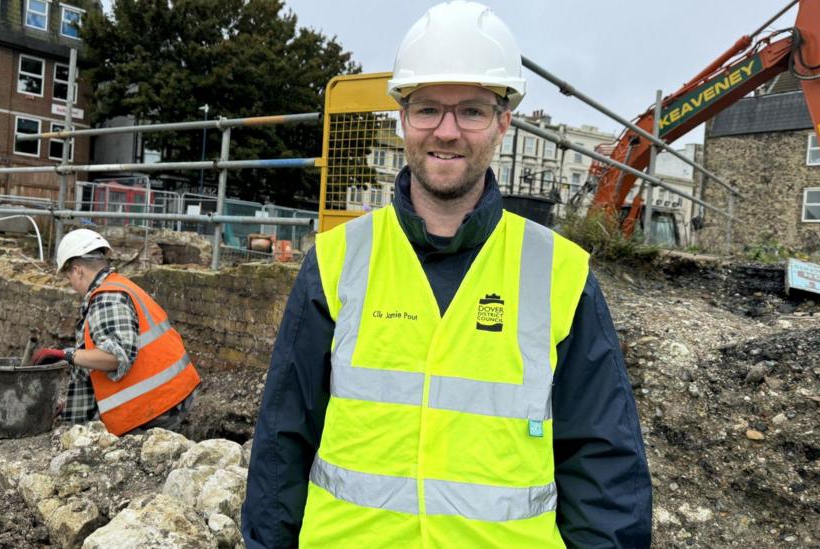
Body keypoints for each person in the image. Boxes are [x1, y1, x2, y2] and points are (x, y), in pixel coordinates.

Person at [241, 2, 651, 548]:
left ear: (503, 122)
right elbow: (282, 442)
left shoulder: (561, 275)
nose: (447, 131)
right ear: (403, 117)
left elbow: (604, 467)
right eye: (428, 109)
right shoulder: (337, 262)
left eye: (472, 111)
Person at [32, 228, 201, 437]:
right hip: (171, 392)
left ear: (78, 270)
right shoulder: (118, 285)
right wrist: (74, 406)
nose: (73, 286)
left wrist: (67, 355)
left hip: (158, 403)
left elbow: (114, 357)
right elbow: (102, 365)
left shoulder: (107, 298)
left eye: (69, 278)